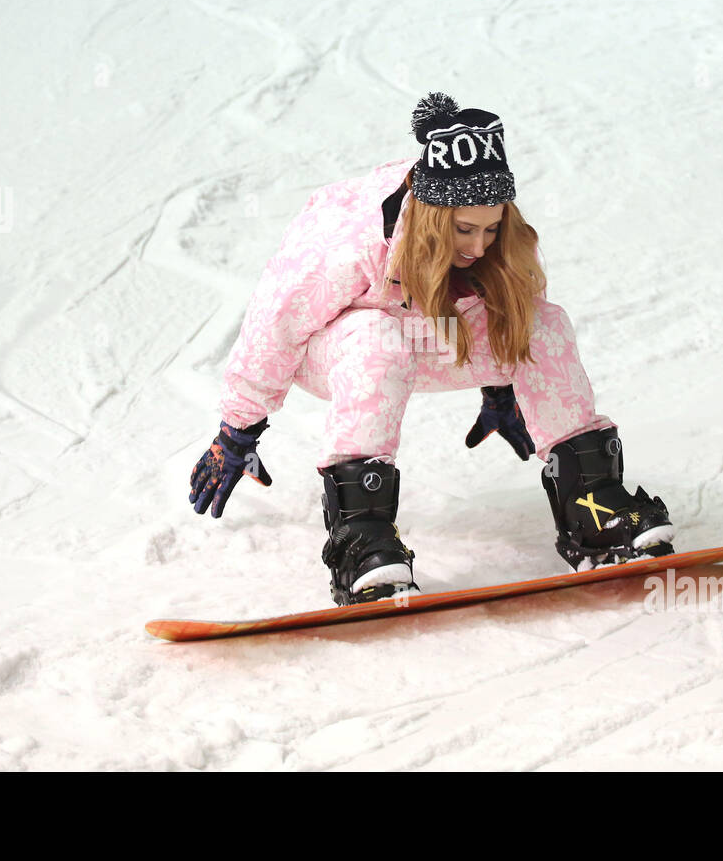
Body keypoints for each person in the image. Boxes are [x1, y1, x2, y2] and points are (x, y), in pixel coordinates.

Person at [189, 91, 675, 606]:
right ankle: (361, 537)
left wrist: (501, 391)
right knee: (376, 339)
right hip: (338, 353)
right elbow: (273, 329)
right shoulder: (349, 245)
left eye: (491, 228)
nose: (479, 246)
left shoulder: (506, 241)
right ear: (432, 215)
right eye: (465, 229)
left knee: (545, 324)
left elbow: (515, 319)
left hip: (430, 334)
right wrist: (237, 430)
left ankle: (593, 508)